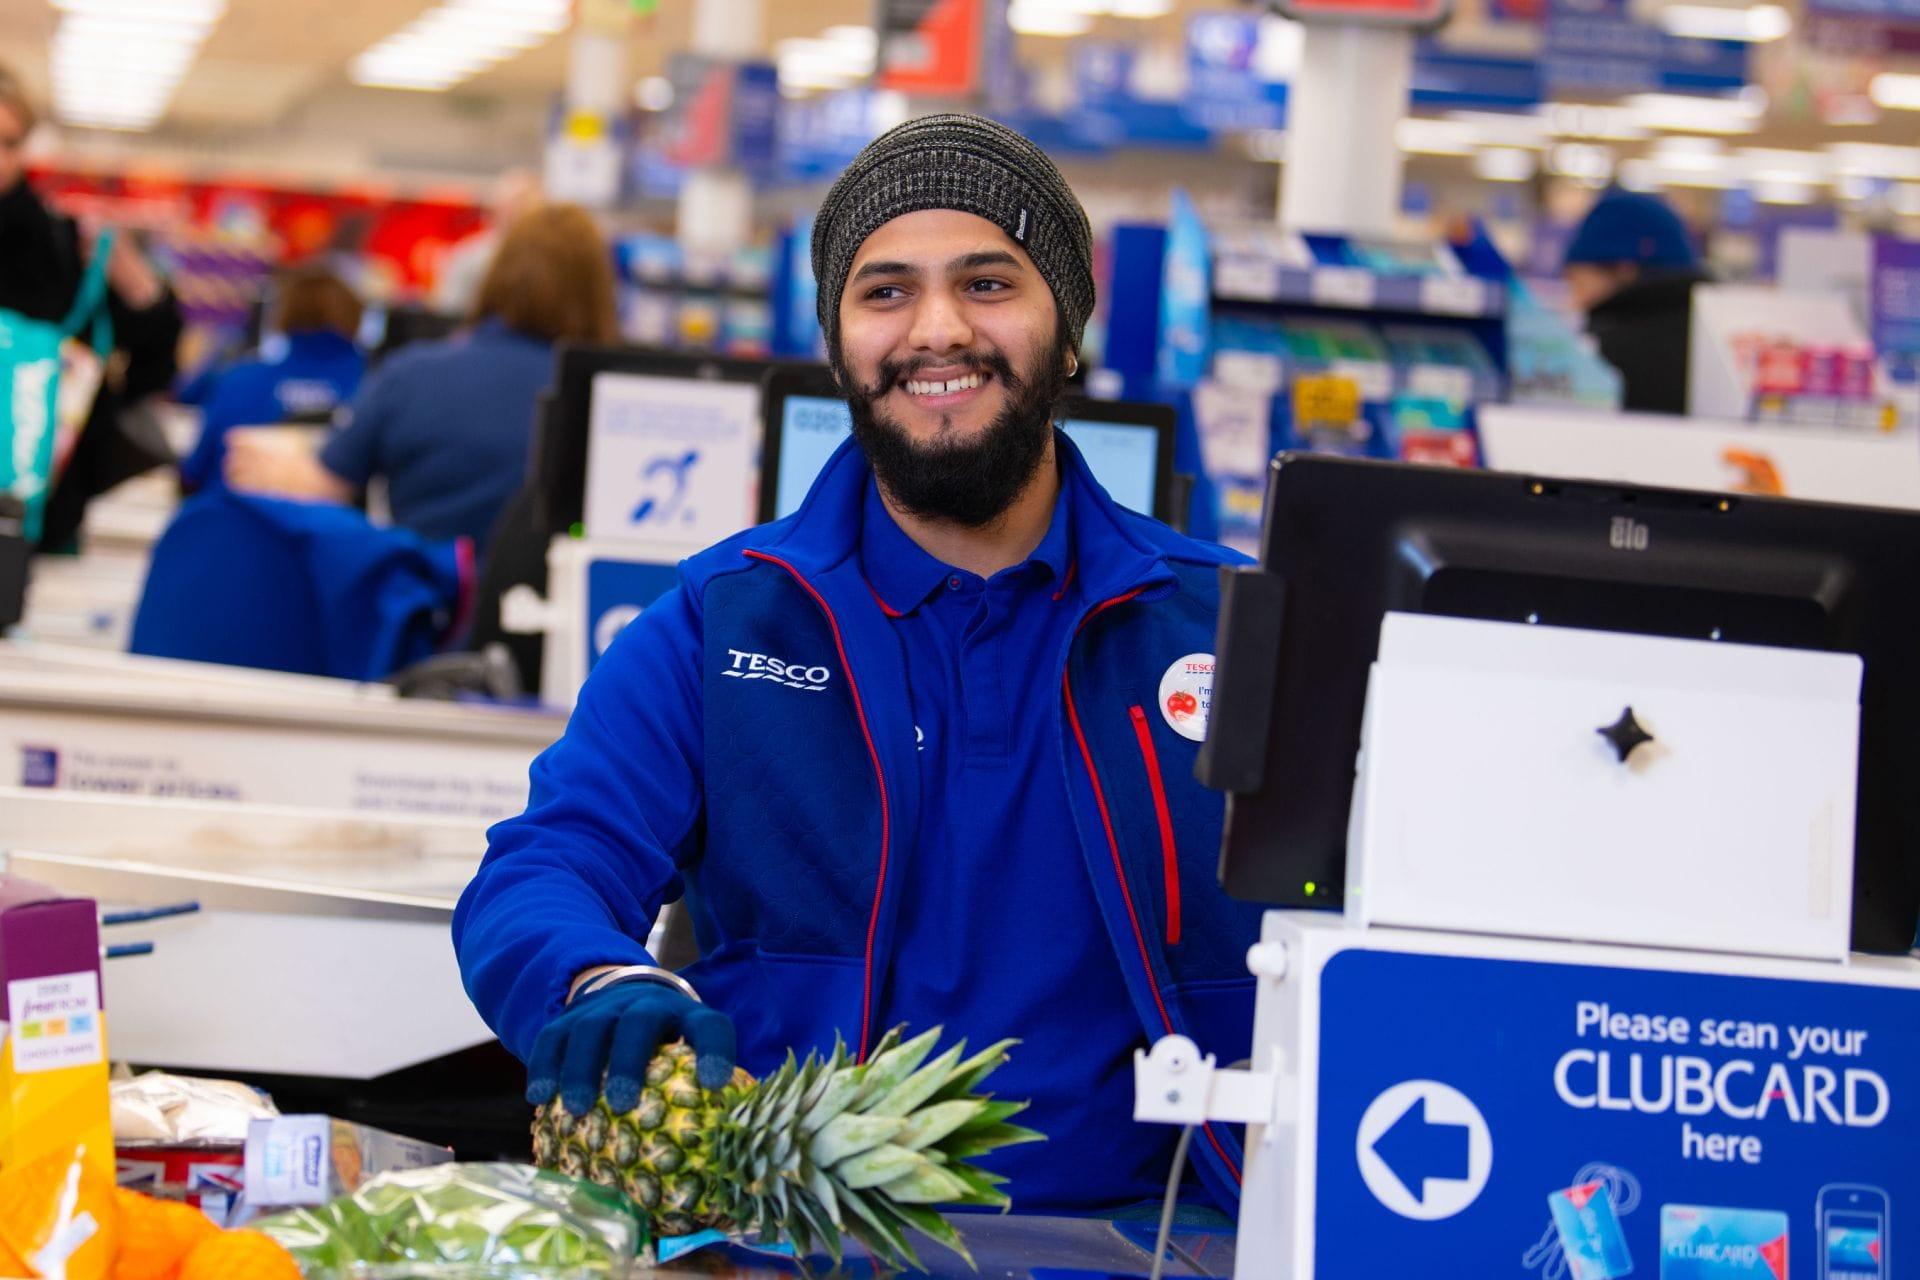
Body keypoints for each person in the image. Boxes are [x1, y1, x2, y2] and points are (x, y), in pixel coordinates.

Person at [453, 114, 1261, 1215]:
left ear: (1067, 329)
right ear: (839, 343)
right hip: (800, 1234)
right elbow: (546, 860)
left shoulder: (1231, 626)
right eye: (884, 292)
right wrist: (598, 975)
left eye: (988, 282)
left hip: (1164, 1235)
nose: (938, 330)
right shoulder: (722, 623)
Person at [225, 202, 615, 551]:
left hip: (426, 614)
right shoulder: (610, 400)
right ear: (600, 292)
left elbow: (324, 485)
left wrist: (258, 460)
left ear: (495, 277)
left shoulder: (413, 374)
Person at [0, 64, 182, 550]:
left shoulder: (65, 244)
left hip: (40, 502)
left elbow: (150, 368)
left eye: (9, 142)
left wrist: (140, 288)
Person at [177, 267, 366, 492]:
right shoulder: (375, 389)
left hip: (238, 517)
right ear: (356, 317)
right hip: (339, 523)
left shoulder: (240, 381)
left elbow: (194, 472)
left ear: (284, 314)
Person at [1561, 188, 1710, 416]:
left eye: (1577, 283)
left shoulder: (1603, 354)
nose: (1574, 300)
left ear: (1623, 269)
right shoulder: (1715, 339)